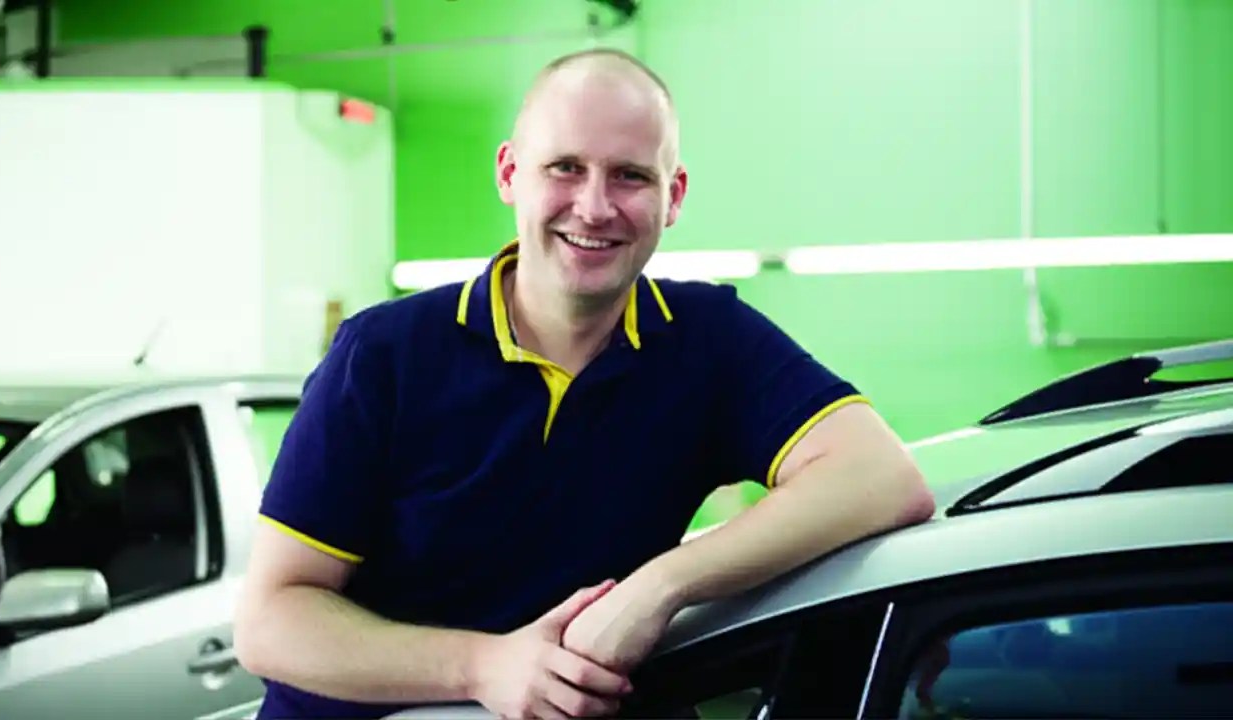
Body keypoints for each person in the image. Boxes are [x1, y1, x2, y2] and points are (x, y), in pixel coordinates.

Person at [234, 47, 935, 720]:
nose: (595, 207)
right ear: (510, 174)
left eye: (630, 175)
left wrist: (661, 585)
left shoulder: (707, 341)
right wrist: (483, 666)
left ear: (674, 195)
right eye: (564, 168)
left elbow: (882, 477)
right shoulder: (385, 354)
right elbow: (271, 620)